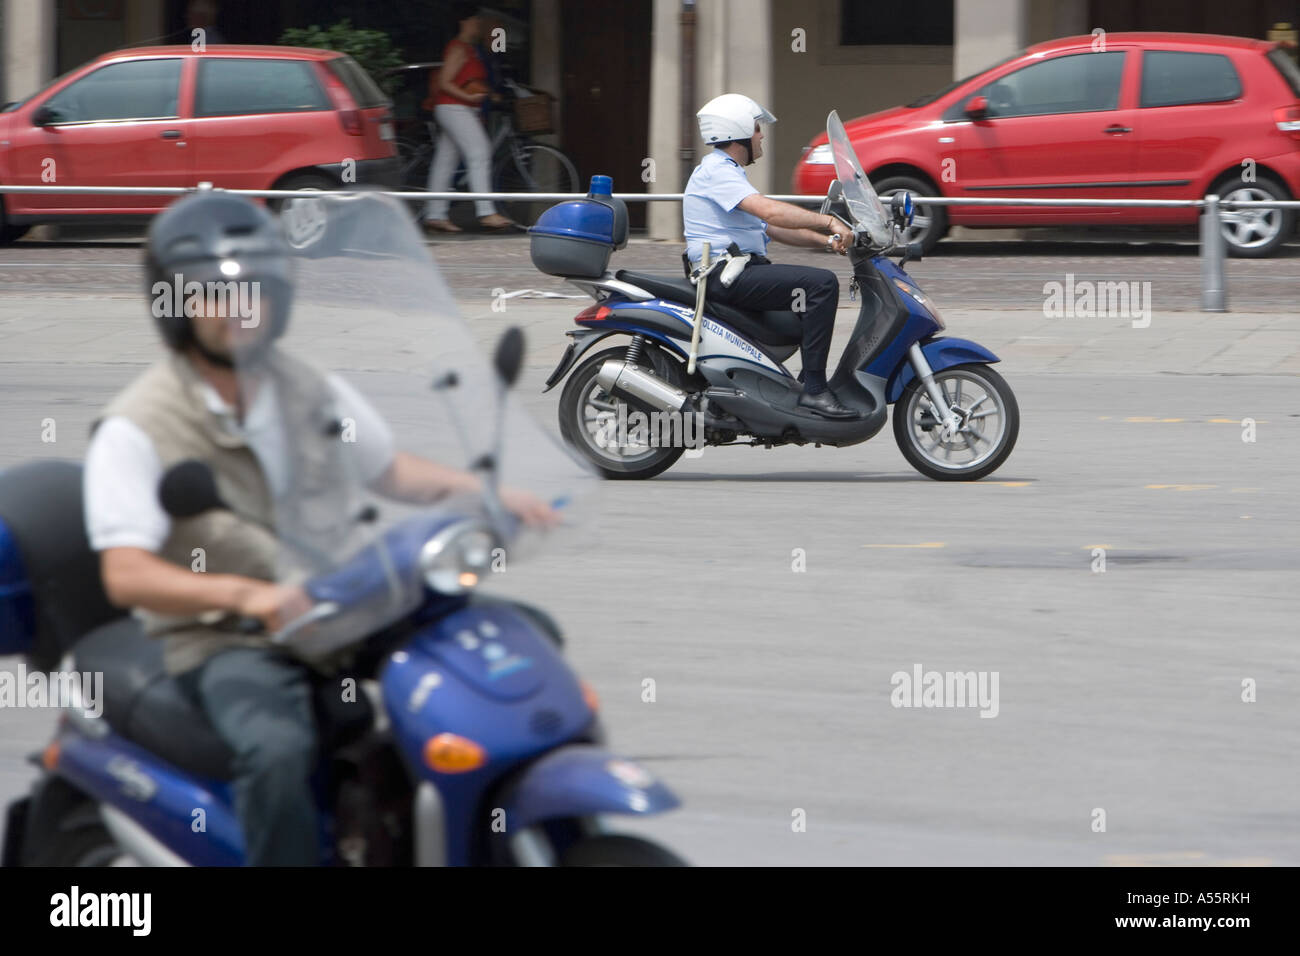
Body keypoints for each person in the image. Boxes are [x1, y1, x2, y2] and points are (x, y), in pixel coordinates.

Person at [83, 192, 554, 865]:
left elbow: (391, 471)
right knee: (277, 750)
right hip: (229, 637)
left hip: (342, 603)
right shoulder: (139, 424)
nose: (241, 307)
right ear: (177, 303)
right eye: (217, 293)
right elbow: (125, 572)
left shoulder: (308, 388)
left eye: (256, 289)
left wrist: (486, 493)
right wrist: (250, 597)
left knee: (518, 643)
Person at [684, 93, 856, 419]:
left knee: (805, 301)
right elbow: (769, 211)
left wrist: (828, 240)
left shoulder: (729, 173)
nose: (762, 136)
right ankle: (815, 391)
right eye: (757, 128)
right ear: (739, 131)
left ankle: (797, 386)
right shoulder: (717, 172)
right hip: (724, 276)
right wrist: (828, 219)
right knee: (821, 285)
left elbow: (772, 229)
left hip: (737, 272)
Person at [422, 3, 517, 233]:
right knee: (480, 152)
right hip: (455, 108)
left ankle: (435, 214)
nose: (478, 24)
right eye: (475, 20)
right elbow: (445, 81)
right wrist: (467, 96)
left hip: (456, 109)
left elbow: (469, 79)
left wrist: (488, 94)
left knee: (445, 162)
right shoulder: (459, 48)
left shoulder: (469, 48)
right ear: (464, 22)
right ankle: (486, 212)